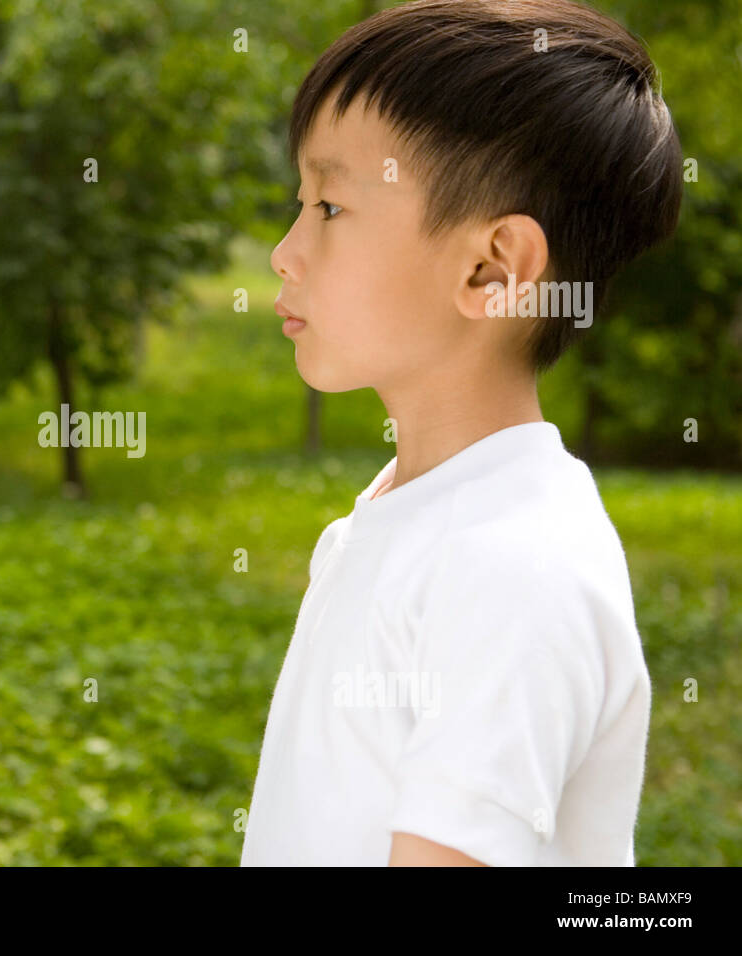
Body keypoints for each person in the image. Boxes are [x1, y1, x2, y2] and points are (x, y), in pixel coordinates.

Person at [242, 0, 681, 866]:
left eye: (329, 207)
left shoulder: (513, 566)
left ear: (490, 269)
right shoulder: (391, 524)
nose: (283, 251)